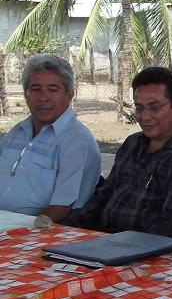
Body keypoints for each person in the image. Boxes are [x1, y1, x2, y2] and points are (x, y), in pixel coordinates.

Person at [64, 67, 172, 240]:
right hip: (101, 240)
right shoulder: (133, 144)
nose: (144, 117)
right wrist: (65, 230)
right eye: (139, 108)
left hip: (148, 255)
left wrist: (114, 243)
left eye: (154, 108)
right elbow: (103, 197)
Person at [0, 54, 100, 221]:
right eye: (36, 89)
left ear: (70, 95)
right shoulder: (17, 133)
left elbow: (60, 209)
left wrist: (18, 233)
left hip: (34, 232)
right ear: (26, 94)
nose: (43, 97)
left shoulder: (76, 141)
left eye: (53, 90)